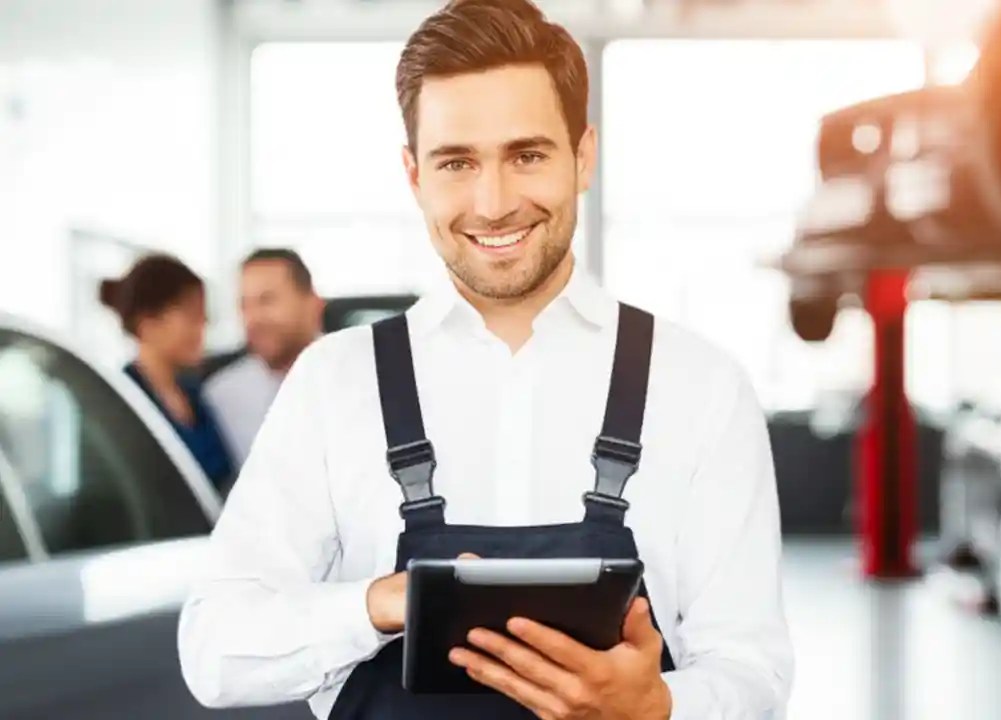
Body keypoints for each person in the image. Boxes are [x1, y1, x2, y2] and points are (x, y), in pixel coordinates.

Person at [177, 0, 793, 718]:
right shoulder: (333, 383)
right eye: (457, 162)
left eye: (526, 155)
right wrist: (379, 604)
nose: (493, 202)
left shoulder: (700, 387)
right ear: (414, 175)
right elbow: (213, 652)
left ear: (583, 156)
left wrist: (658, 709)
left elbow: (754, 672)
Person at [100, 254, 235, 493]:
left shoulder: (195, 393)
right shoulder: (121, 401)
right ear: (148, 323)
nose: (204, 324)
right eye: (193, 315)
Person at [205, 248, 325, 469]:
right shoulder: (221, 396)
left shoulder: (360, 379)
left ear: (313, 304)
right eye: (244, 305)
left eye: (267, 300)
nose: (253, 318)